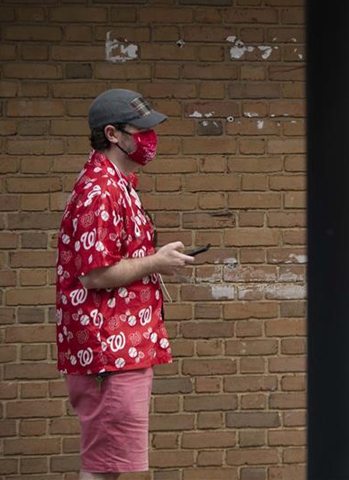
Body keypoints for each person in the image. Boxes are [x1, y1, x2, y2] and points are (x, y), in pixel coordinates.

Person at [55, 89, 194, 480]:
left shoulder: (118, 183)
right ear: (114, 134)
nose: (150, 137)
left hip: (121, 348)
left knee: (111, 465)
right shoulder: (99, 190)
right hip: (108, 353)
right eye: (142, 129)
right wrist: (157, 262)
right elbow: (94, 274)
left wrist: (157, 257)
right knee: (102, 469)